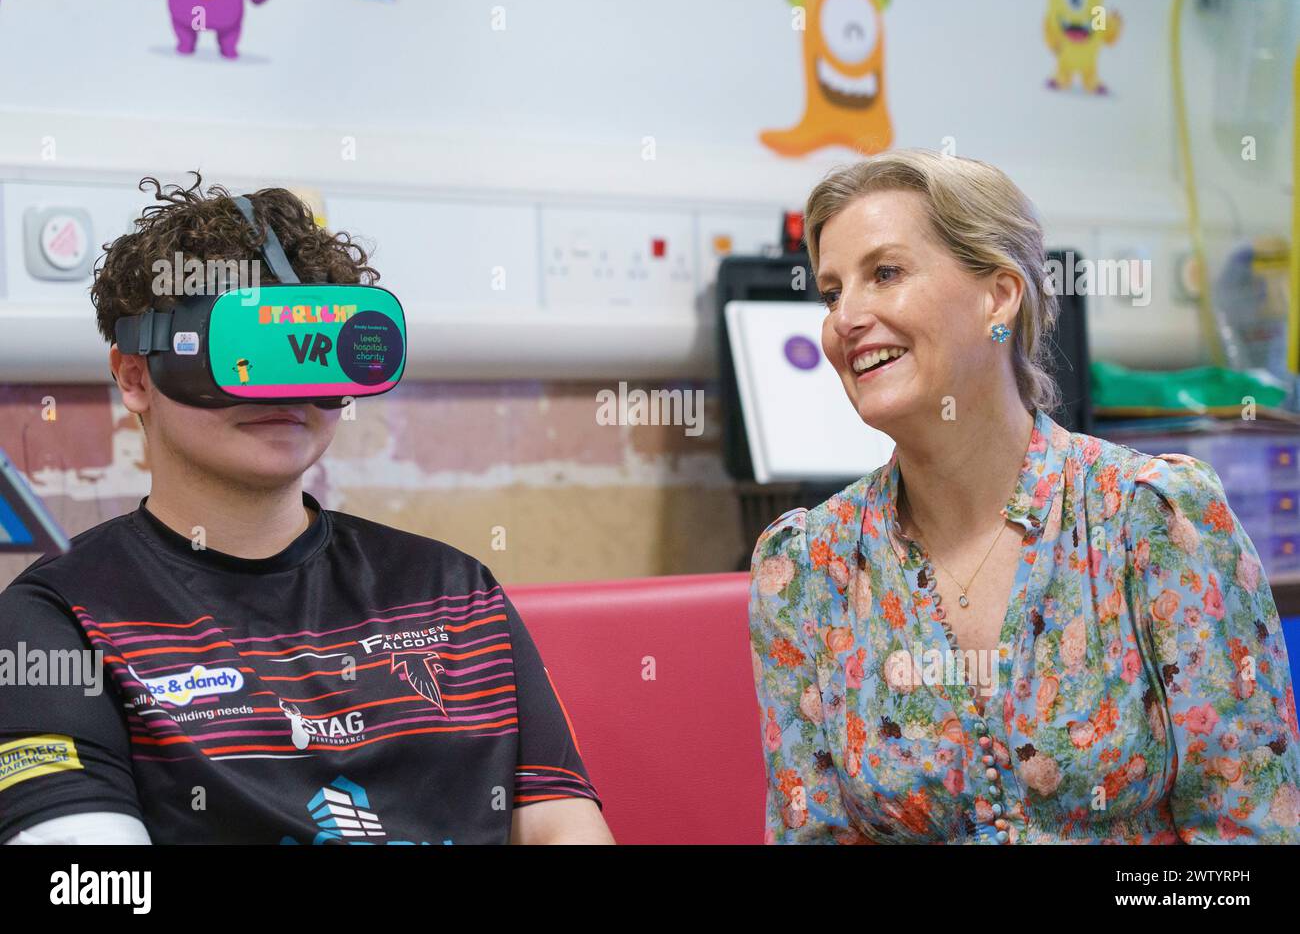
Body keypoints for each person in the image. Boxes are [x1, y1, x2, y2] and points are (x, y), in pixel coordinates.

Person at [0, 175, 613, 845]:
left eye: (309, 350)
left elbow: (561, 826)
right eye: (243, 352)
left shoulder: (453, 593)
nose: (284, 386)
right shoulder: (60, 623)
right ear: (136, 375)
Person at [748, 148, 1300, 844]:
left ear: (999, 296)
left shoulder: (1156, 520)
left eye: (884, 273)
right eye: (831, 293)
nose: (845, 319)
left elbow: (1248, 842)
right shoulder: (803, 570)